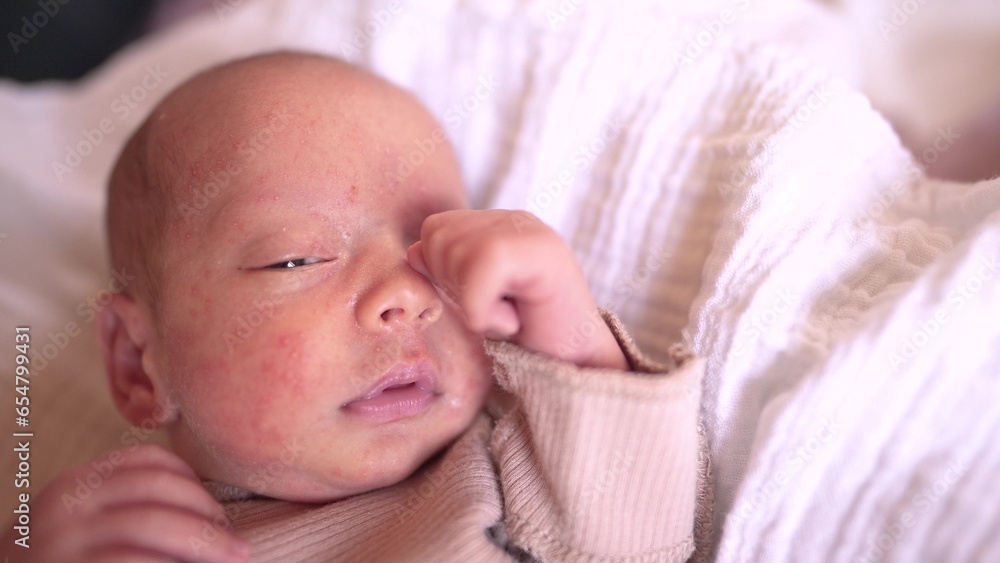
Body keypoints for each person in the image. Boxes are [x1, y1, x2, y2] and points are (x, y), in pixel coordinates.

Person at [1, 51, 707, 562]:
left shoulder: (504, 479)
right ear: (137, 363)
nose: (406, 295)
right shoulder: (127, 535)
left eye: (435, 253)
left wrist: (567, 324)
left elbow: (638, 529)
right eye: (296, 258)